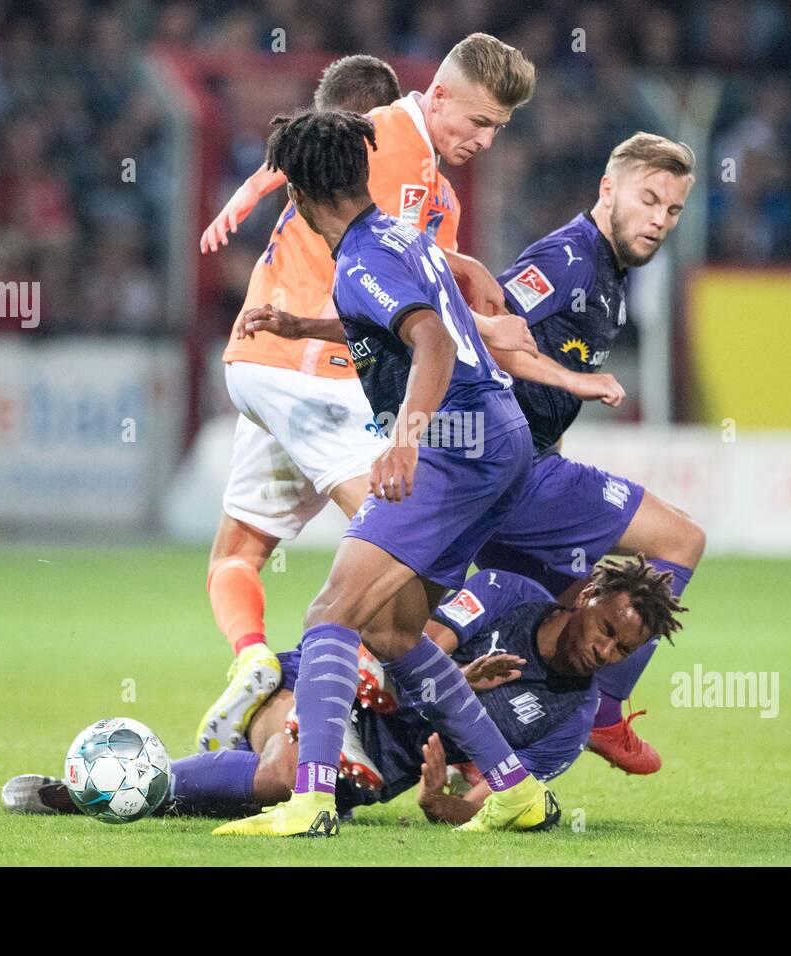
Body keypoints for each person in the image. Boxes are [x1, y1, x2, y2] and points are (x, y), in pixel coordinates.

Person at [243, 133, 706, 775]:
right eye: (648, 200)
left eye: (673, 210)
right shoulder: (570, 261)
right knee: (678, 541)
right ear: (607, 188)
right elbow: (475, 325)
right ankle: (585, 721)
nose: (659, 220)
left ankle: (424, 751)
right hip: (486, 452)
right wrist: (565, 384)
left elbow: (436, 321)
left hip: (489, 452)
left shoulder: (605, 276)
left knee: (515, 617)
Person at [212, 106, 554, 837]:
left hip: (456, 448)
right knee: (399, 634)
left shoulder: (361, 257)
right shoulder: (393, 236)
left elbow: (430, 342)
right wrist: (302, 327)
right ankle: (517, 790)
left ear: (298, 196)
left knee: (331, 615)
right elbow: (387, 323)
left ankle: (309, 802)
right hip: (501, 440)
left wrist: (404, 440)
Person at [2, 559, 686, 824]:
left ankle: (139, 784)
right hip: (356, 683)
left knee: (280, 777)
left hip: (386, 765)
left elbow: (482, 805)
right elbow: (425, 644)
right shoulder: (509, 596)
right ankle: (104, 794)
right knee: (288, 766)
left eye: (621, 651)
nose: (604, 651)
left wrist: (441, 801)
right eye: (605, 630)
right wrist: (457, 690)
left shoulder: (568, 723)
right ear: (590, 596)